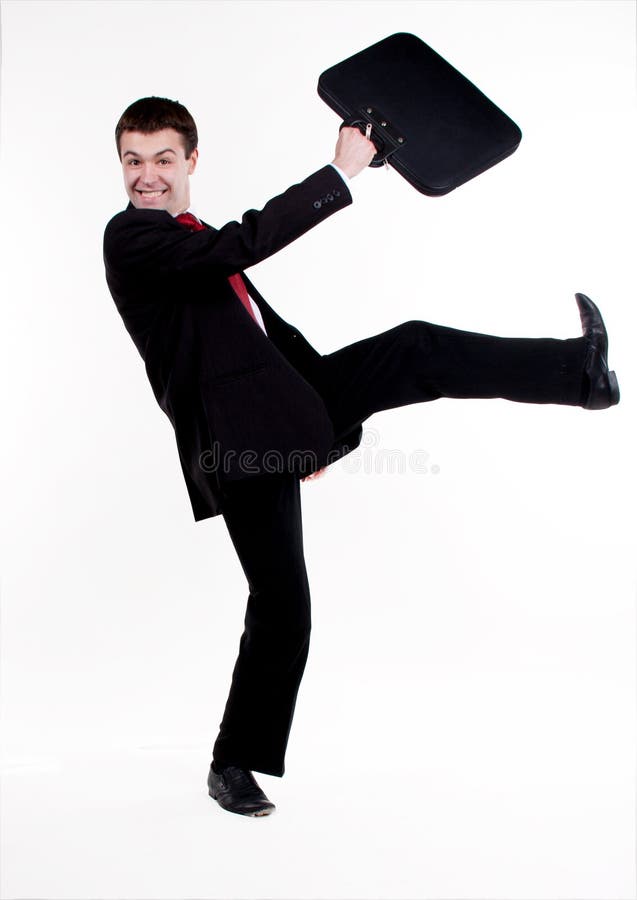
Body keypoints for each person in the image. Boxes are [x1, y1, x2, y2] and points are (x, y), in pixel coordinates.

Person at [103, 96, 619, 818]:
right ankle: (232, 762)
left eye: (162, 158)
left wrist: (314, 423)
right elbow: (241, 244)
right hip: (236, 443)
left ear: (191, 160)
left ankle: (578, 374)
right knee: (284, 607)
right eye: (133, 160)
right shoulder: (134, 240)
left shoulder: (190, 239)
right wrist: (339, 173)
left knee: (413, 346)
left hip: (274, 415)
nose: (147, 175)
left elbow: (265, 339)